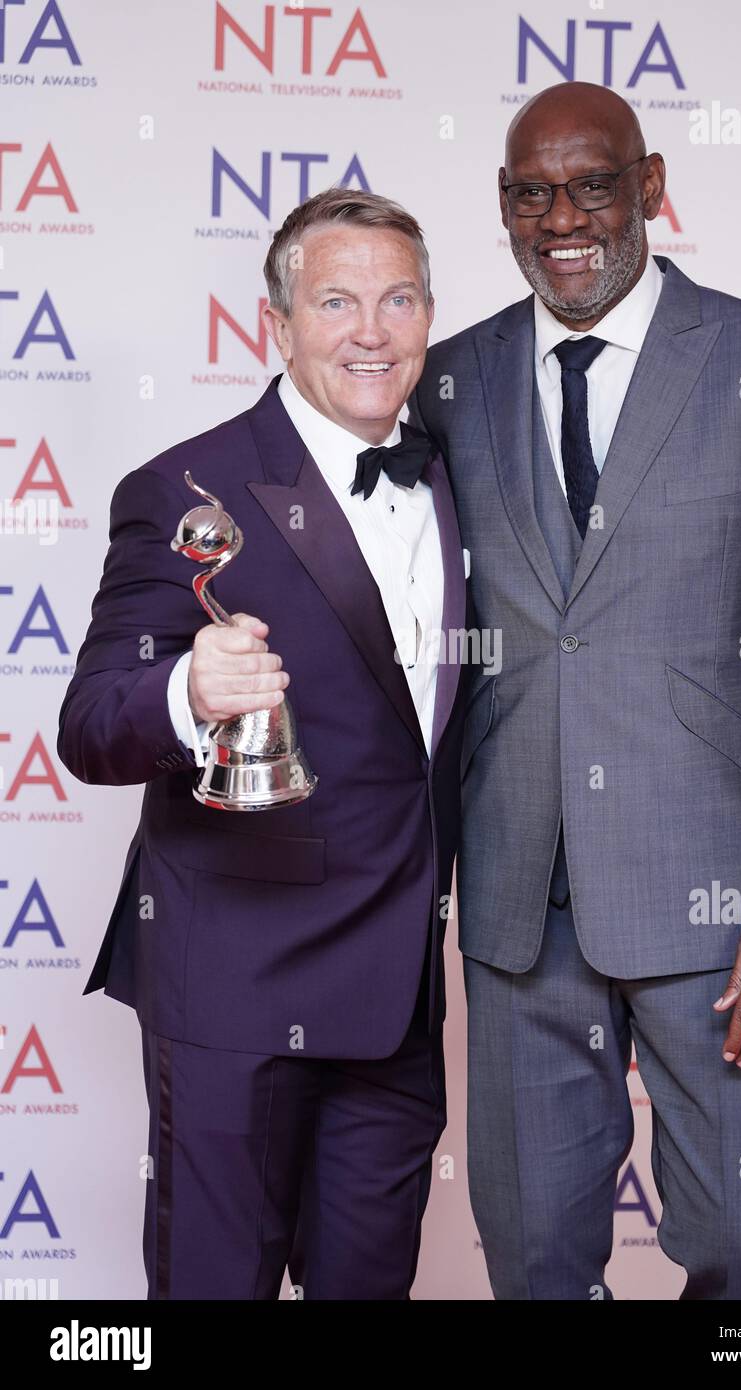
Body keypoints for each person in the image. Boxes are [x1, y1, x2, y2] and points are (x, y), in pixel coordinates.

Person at [410, 82, 741, 1300]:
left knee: (735, 1245)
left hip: (716, 906)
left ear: (651, 187)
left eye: (592, 184)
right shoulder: (451, 381)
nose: (561, 216)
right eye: (530, 192)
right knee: (531, 1260)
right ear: (503, 208)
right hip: (521, 911)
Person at [58, 188, 468, 1300]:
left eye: (396, 298)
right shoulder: (185, 488)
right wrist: (186, 687)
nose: (370, 331)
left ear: (429, 314)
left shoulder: (455, 478)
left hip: (395, 1004)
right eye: (335, 300)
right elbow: (90, 727)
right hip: (235, 982)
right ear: (275, 323)